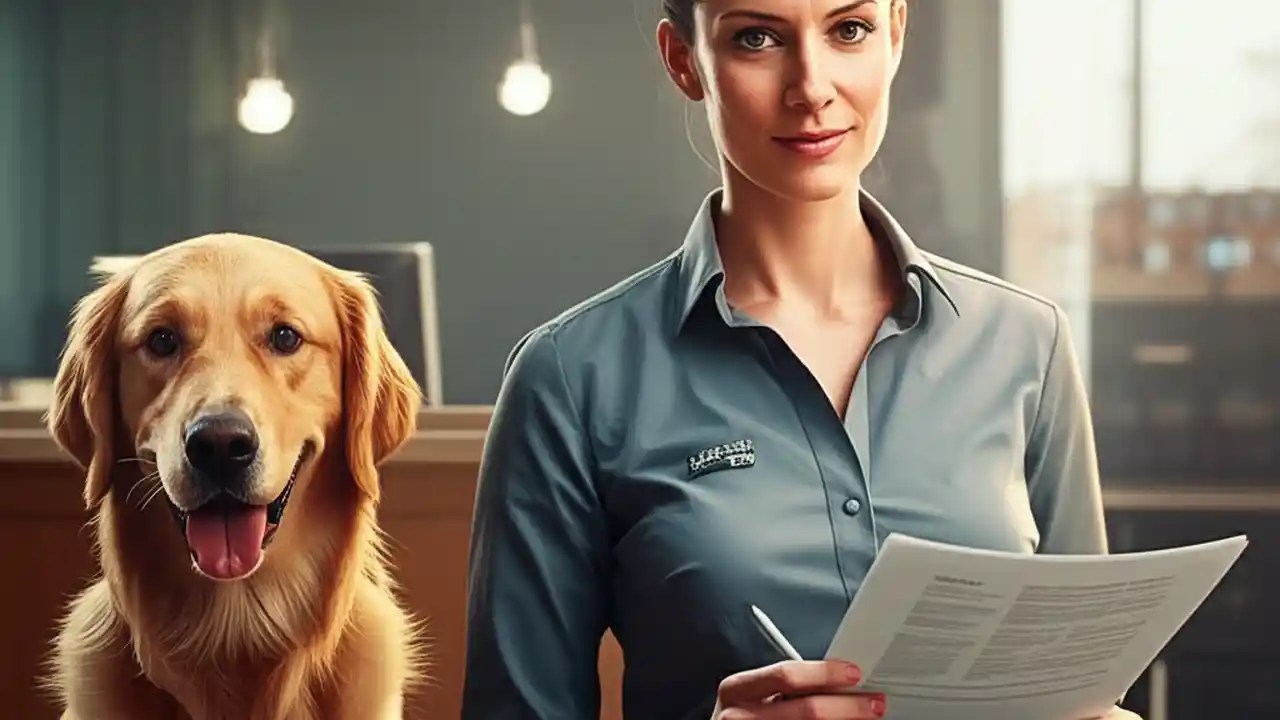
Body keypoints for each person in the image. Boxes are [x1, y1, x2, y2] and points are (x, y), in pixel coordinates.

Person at [462, 1, 1143, 718]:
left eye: (849, 29)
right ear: (684, 60)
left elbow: (1081, 685)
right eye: (756, 39)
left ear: (897, 34)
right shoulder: (570, 378)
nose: (811, 87)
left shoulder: (1026, 343)